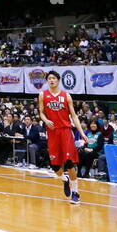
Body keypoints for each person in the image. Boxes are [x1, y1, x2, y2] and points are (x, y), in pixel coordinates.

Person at [37, 71, 86, 204]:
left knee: (70, 163)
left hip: (65, 131)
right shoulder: (43, 95)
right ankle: (65, 180)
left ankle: (75, 193)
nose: (51, 80)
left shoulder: (66, 96)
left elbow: (74, 116)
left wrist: (81, 133)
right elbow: (41, 112)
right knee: (55, 166)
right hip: (52, 132)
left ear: (58, 80)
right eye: (49, 79)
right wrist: (46, 120)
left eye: (53, 78)